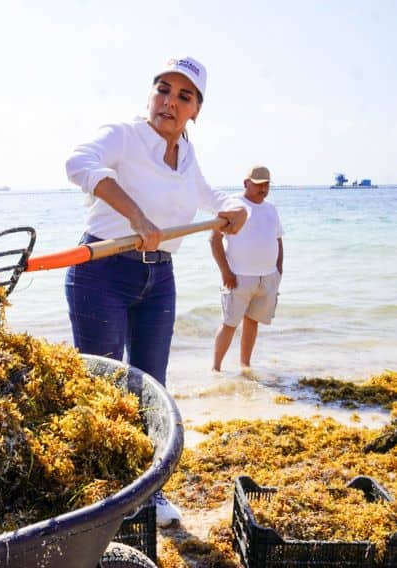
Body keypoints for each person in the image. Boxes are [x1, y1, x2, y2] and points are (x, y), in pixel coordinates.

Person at [63, 56, 248, 527]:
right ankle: (103, 498)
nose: (170, 101)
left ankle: (148, 493)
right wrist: (137, 217)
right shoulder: (124, 135)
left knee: (152, 387)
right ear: (150, 94)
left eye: (184, 96)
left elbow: (210, 195)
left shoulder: (186, 153)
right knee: (105, 390)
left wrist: (234, 207)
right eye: (163, 89)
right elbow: (77, 163)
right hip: (101, 271)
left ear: (196, 110)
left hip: (159, 277)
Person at [211, 165, 283, 372]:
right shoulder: (233, 205)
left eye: (266, 185)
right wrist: (225, 272)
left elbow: (278, 239)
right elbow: (214, 239)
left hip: (267, 277)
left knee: (252, 322)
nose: (263, 189)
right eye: (258, 184)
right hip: (238, 277)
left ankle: (245, 366)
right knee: (229, 323)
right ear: (246, 183)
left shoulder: (271, 208)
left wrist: (278, 270)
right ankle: (215, 369)